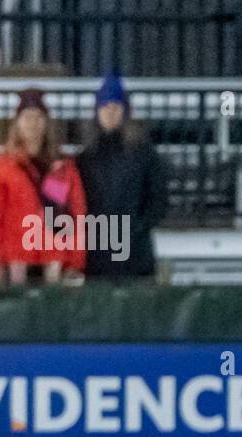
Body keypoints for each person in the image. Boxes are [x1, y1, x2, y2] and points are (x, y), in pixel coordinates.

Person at [0, 88, 87, 287]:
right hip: (17, 262)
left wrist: (75, 261)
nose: (33, 123)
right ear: (17, 123)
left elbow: (76, 215)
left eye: (38, 117)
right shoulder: (2, 168)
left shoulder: (61, 168)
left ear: (46, 123)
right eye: (27, 117)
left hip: (54, 261)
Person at [77, 70, 168, 281]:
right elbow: (63, 200)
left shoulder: (144, 155)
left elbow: (158, 199)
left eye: (116, 107)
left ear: (125, 111)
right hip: (96, 259)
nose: (110, 113)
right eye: (105, 107)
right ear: (97, 112)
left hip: (135, 259)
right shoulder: (84, 159)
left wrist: (135, 228)